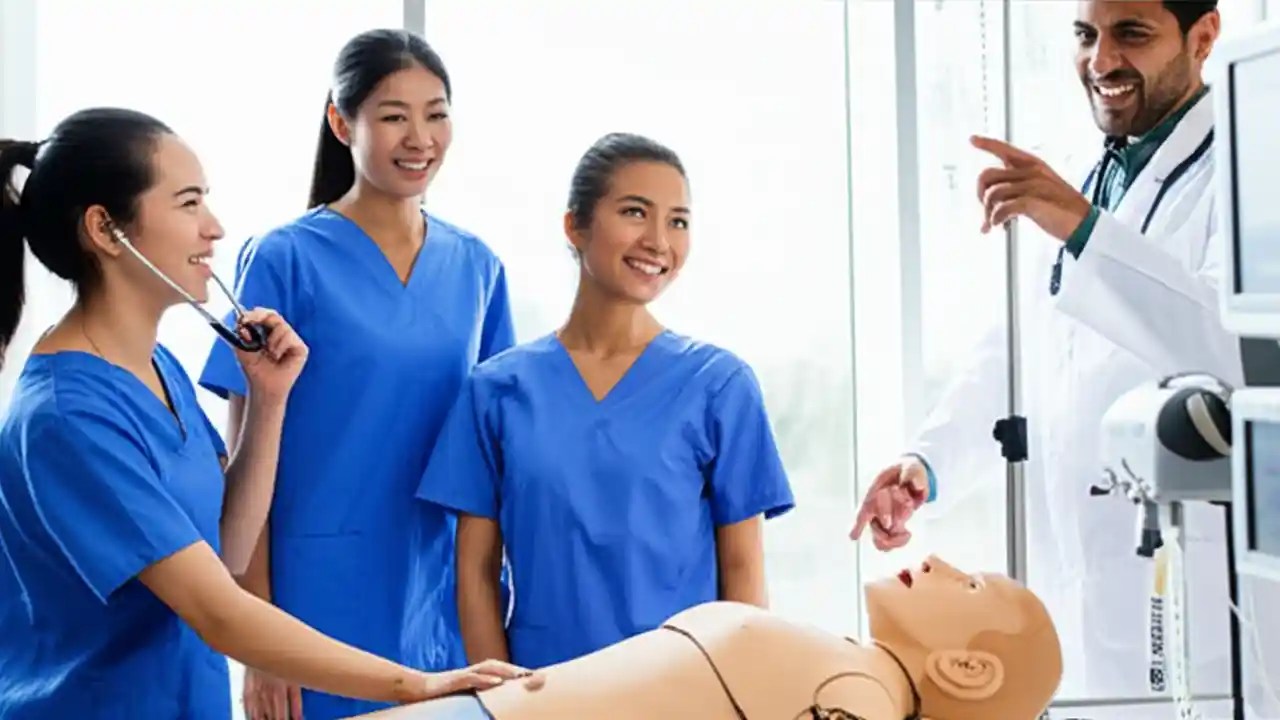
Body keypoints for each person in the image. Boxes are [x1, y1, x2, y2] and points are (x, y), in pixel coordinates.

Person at [0, 109, 532, 719]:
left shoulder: (157, 370)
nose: (214, 228)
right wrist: (420, 685)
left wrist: (269, 401)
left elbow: (226, 550)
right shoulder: (70, 417)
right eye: (188, 203)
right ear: (105, 230)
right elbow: (218, 611)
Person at [852, 1, 1239, 715]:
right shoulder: (1101, 179)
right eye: (1085, 35)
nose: (1100, 62)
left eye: (1132, 34)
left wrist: (1081, 227)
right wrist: (927, 465)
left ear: (1204, 35)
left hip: (1195, 587)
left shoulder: (1246, 174)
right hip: (1078, 576)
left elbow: (1228, 350)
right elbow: (1020, 355)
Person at [196, 29, 516, 720]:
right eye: (393, 115)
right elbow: (246, 459)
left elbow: (492, 458)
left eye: (436, 113)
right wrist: (261, 641)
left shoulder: (479, 268)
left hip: (437, 599)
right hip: (311, 604)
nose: (420, 136)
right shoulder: (284, 257)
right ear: (342, 123)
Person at [416, 132, 796, 672]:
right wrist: (504, 698)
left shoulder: (720, 385)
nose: (659, 241)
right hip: (545, 695)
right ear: (575, 226)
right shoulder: (497, 390)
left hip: (684, 695)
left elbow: (744, 577)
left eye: (679, 221)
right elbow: (475, 574)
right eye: (636, 213)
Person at [353, 555, 1063, 720]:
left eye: (968, 585)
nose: (939, 562)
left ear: (967, 669)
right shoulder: (848, 663)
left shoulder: (862, 701)